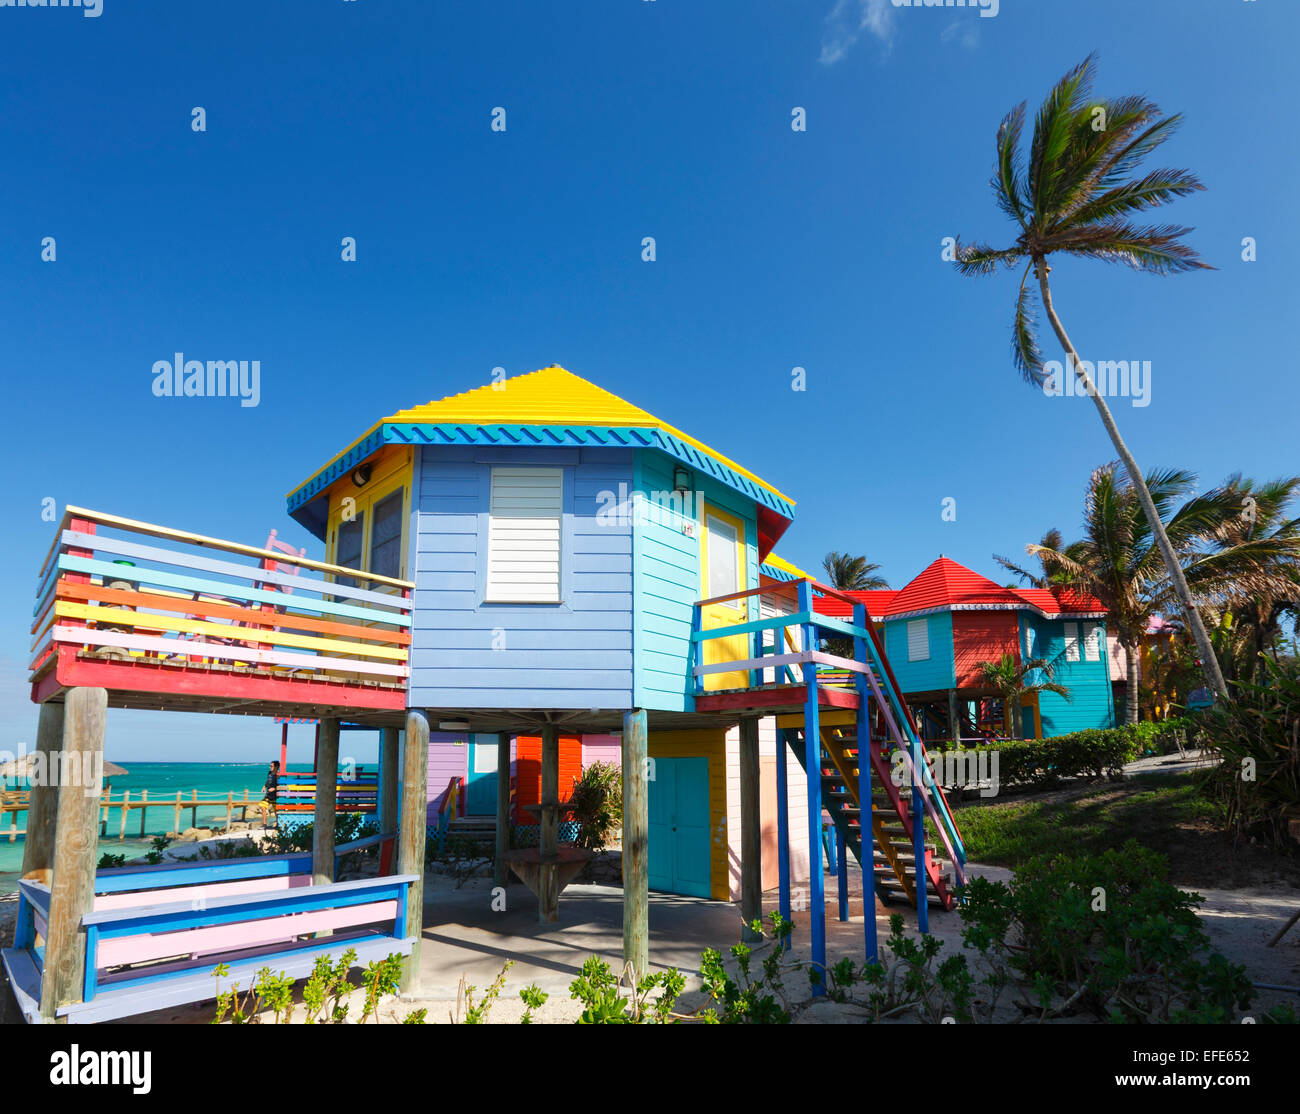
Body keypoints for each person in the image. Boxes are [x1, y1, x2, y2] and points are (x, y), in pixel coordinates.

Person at [262, 761, 280, 826]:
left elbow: (281, 786)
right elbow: (268, 781)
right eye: (270, 766)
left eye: (271, 766)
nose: (270, 767)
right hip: (268, 795)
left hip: (275, 796)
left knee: (276, 811)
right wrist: (264, 786)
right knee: (263, 807)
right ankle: (264, 824)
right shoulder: (269, 773)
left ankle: (278, 824)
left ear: (276, 767)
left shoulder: (278, 775)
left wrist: (274, 789)